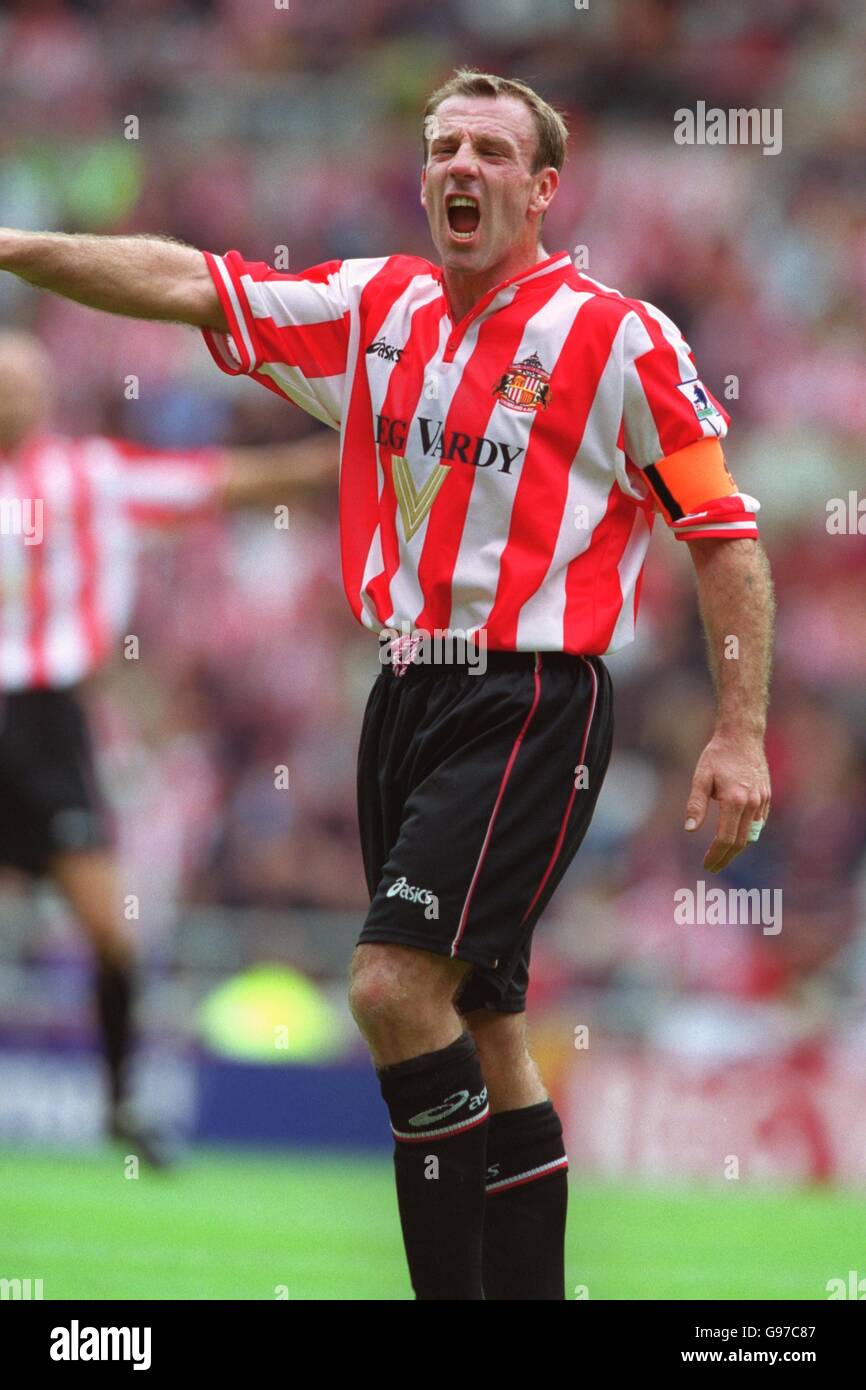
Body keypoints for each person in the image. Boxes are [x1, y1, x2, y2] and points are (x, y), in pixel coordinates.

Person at [0, 67, 774, 1296]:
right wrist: (12, 246)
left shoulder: (617, 337)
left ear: (542, 187)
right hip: (402, 696)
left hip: (528, 696)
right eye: (442, 147)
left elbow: (721, 534)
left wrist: (738, 729)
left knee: (387, 987)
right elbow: (189, 282)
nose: (459, 167)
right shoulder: (373, 306)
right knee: (486, 1029)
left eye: (489, 151)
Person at [0, 328, 336, 1166]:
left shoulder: (91, 477)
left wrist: (354, 448)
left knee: (110, 931)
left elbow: (230, 482)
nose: (15, 398)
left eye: (25, 384)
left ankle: (119, 1102)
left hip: (46, 723)